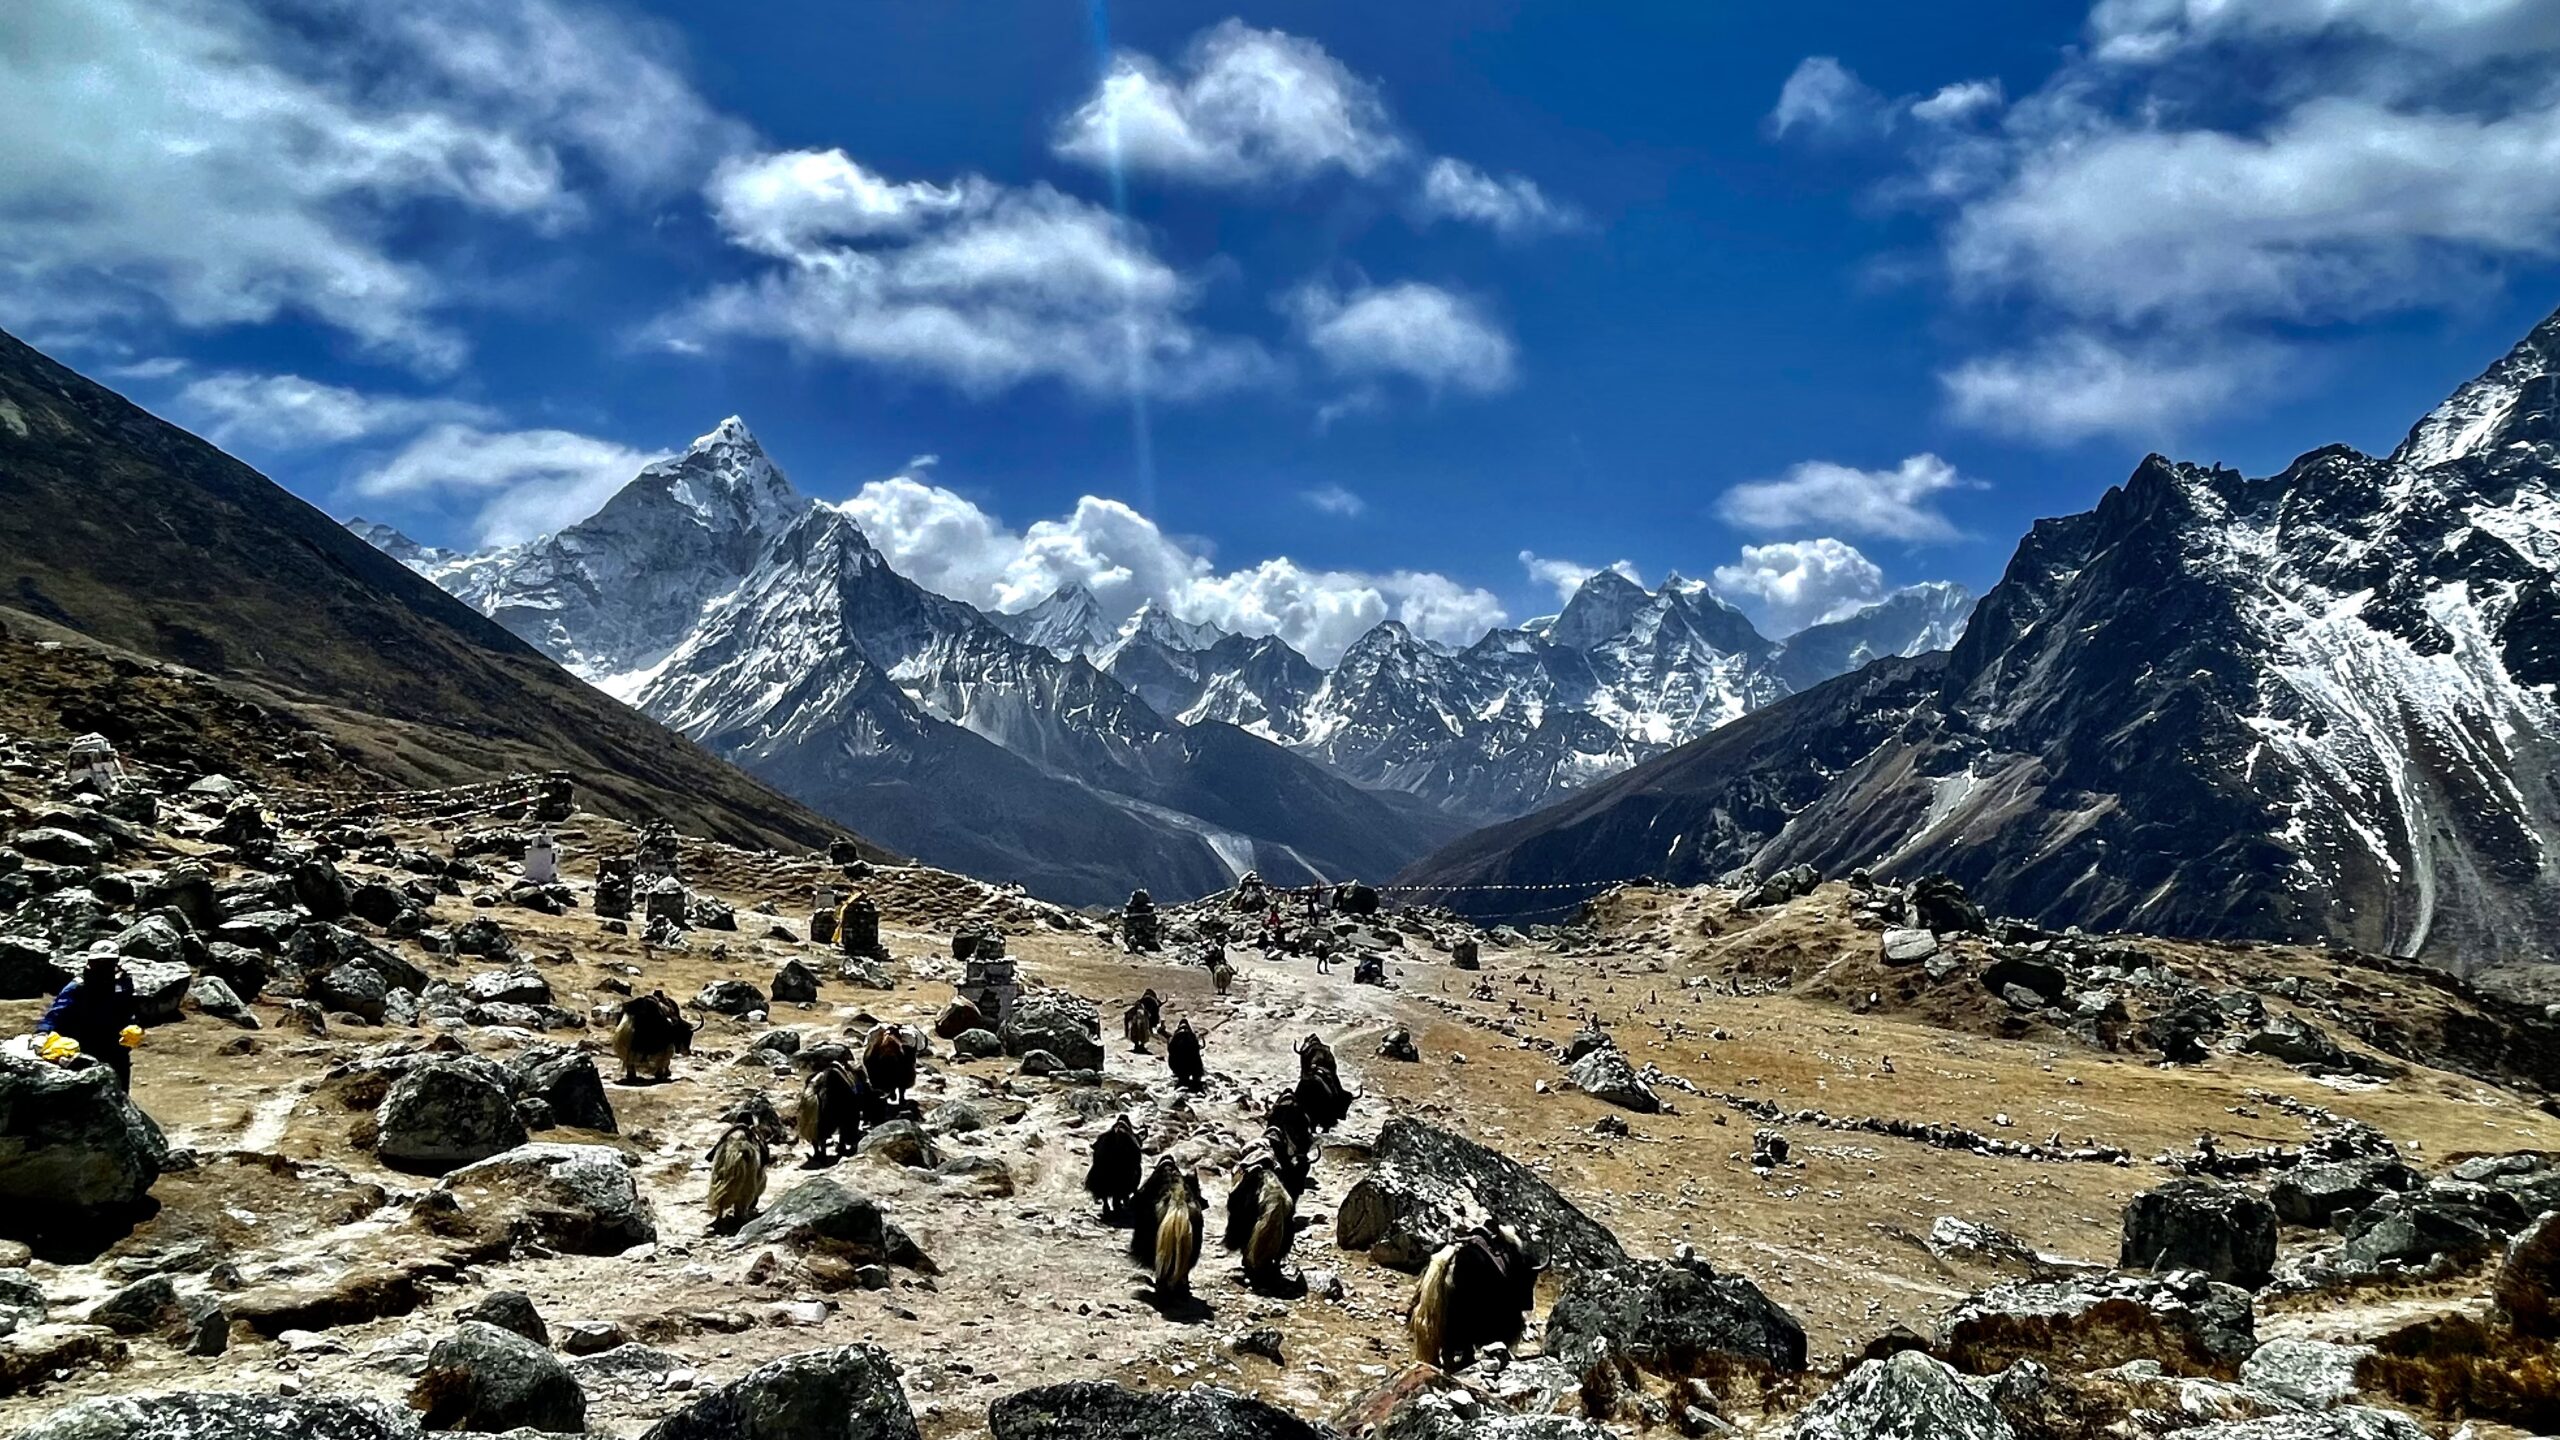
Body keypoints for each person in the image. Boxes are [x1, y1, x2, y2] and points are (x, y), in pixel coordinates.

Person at [36, 952, 140, 1091]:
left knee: (120, 1086)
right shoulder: (78, 986)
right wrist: (42, 1032)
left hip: (114, 1043)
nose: (102, 967)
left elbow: (127, 1006)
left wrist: (131, 1025)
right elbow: (57, 1012)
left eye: (107, 963)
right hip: (84, 1043)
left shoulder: (123, 982)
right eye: (98, 962)